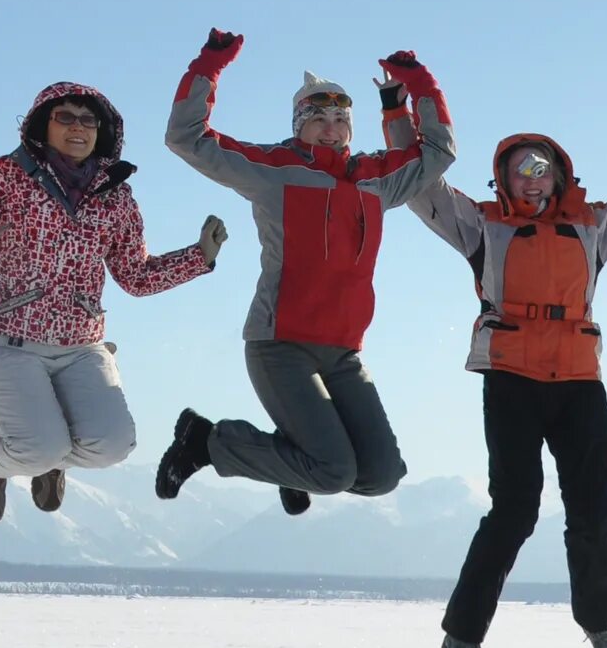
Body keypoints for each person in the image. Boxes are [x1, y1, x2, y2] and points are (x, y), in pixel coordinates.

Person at [405, 106, 607, 648]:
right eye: (520, 170)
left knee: (594, 510)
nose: (532, 179)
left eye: (541, 169)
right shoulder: (483, 225)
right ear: (504, 179)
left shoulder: (592, 225)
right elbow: (423, 192)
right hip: (512, 378)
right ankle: (462, 637)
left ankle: (598, 623)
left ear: (559, 176)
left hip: (578, 383)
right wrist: (399, 114)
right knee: (515, 510)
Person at [152, 35, 455, 516]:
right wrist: (209, 65)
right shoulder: (273, 169)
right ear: (298, 124)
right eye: (317, 119)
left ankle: (288, 461)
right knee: (334, 472)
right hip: (280, 345)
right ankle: (206, 441)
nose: (330, 129)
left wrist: (416, 87)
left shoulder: (375, 179)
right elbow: (186, 137)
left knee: (381, 476)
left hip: (344, 352)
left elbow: (437, 153)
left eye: (339, 120)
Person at [0, 83, 226, 520]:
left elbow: (135, 277)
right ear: (44, 124)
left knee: (113, 446)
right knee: (38, 448)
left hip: (81, 348)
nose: (77, 127)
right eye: (66, 117)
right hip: (10, 344)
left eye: (88, 120)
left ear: (102, 131)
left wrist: (199, 258)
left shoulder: (116, 197)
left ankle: (51, 460)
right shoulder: (10, 174)